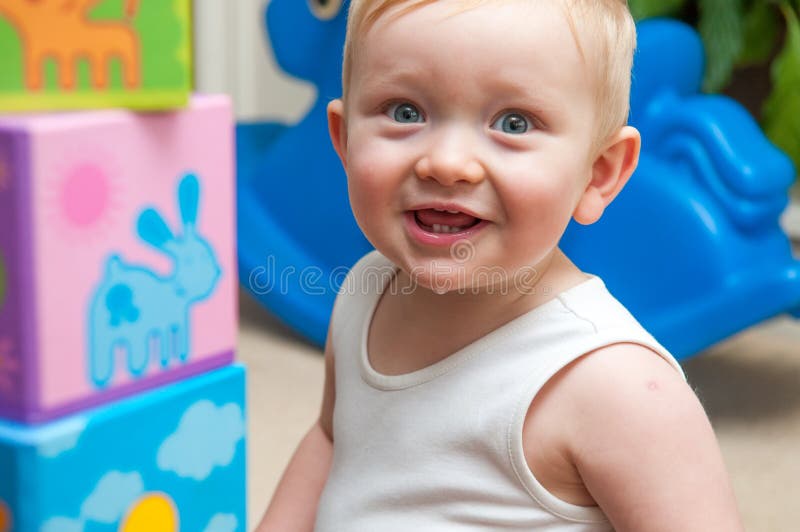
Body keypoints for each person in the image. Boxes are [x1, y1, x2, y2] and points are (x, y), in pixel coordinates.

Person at [257, 0, 744, 530]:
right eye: (405, 112)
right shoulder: (362, 291)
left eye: (513, 123)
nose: (446, 162)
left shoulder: (616, 386)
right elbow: (331, 439)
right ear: (345, 139)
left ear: (598, 174)